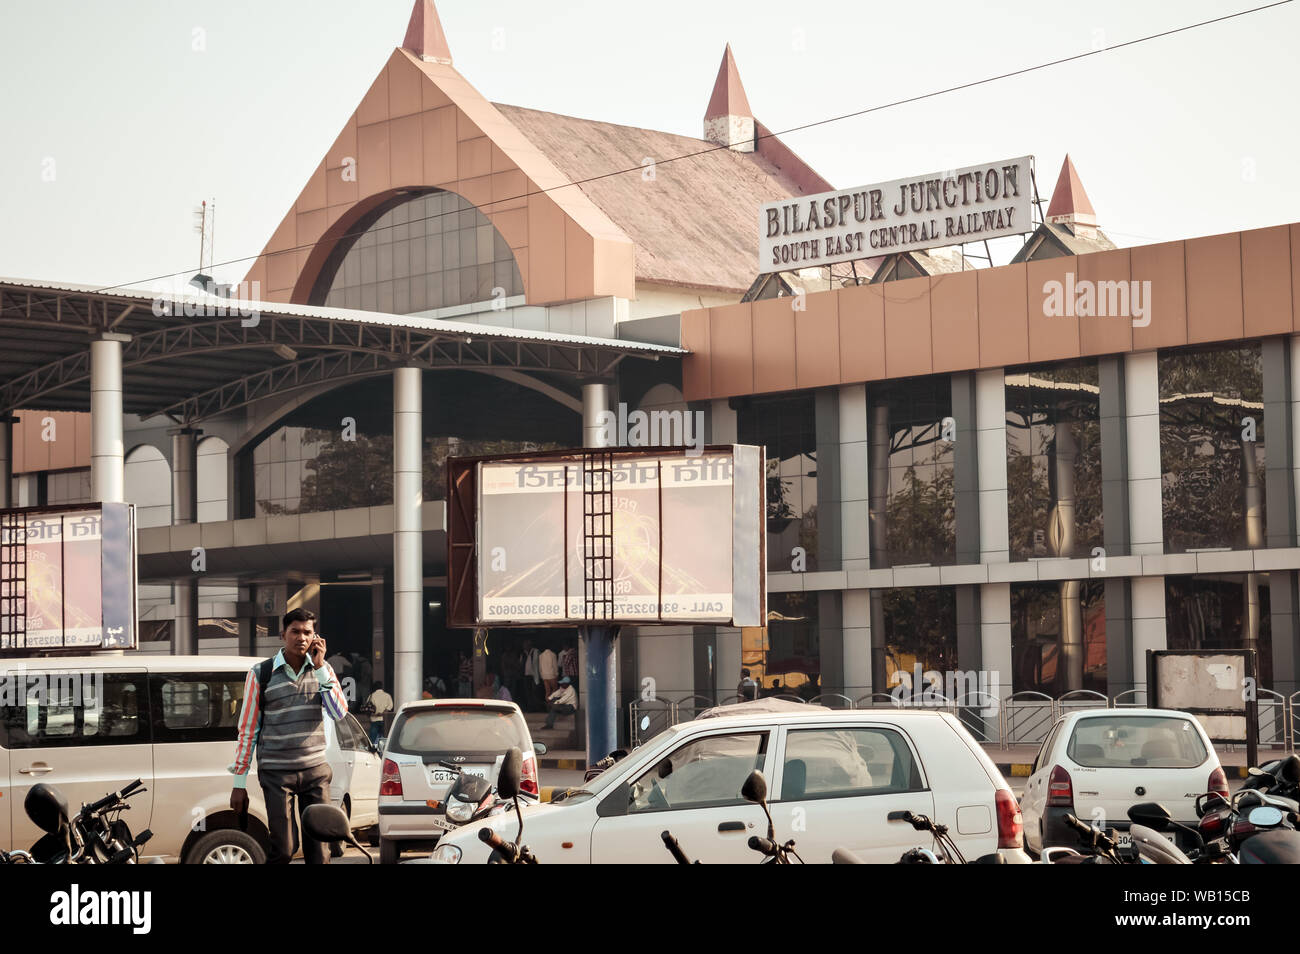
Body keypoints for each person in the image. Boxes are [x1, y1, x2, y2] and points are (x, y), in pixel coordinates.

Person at [228, 608, 348, 865]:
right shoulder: (261, 673)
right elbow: (248, 730)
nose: (301, 638)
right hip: (276, 772)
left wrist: (320, 669)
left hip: (315, 770)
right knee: (284, 848)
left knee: (320, 854)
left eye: (308, 632)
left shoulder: (322, 670)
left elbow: (338, 712)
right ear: (283, 635)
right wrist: (239, 783)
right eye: (295, 631)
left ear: (315, 637)